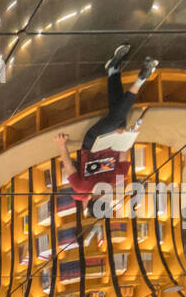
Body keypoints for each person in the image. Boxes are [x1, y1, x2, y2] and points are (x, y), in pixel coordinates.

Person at [54, 45, 159, 213]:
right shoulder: (117, 179)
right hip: (113, 140)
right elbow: (124, 151)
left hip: (93, 142)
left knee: (116, 118)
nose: (105, 191)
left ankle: (141, 78)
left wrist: (61, 144)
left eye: (101, 194)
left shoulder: (81, 186)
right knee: (118, 117)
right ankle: (112, 69)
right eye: (107, 195)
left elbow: (68, 164)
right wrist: (124, 136)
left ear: (91, 197)